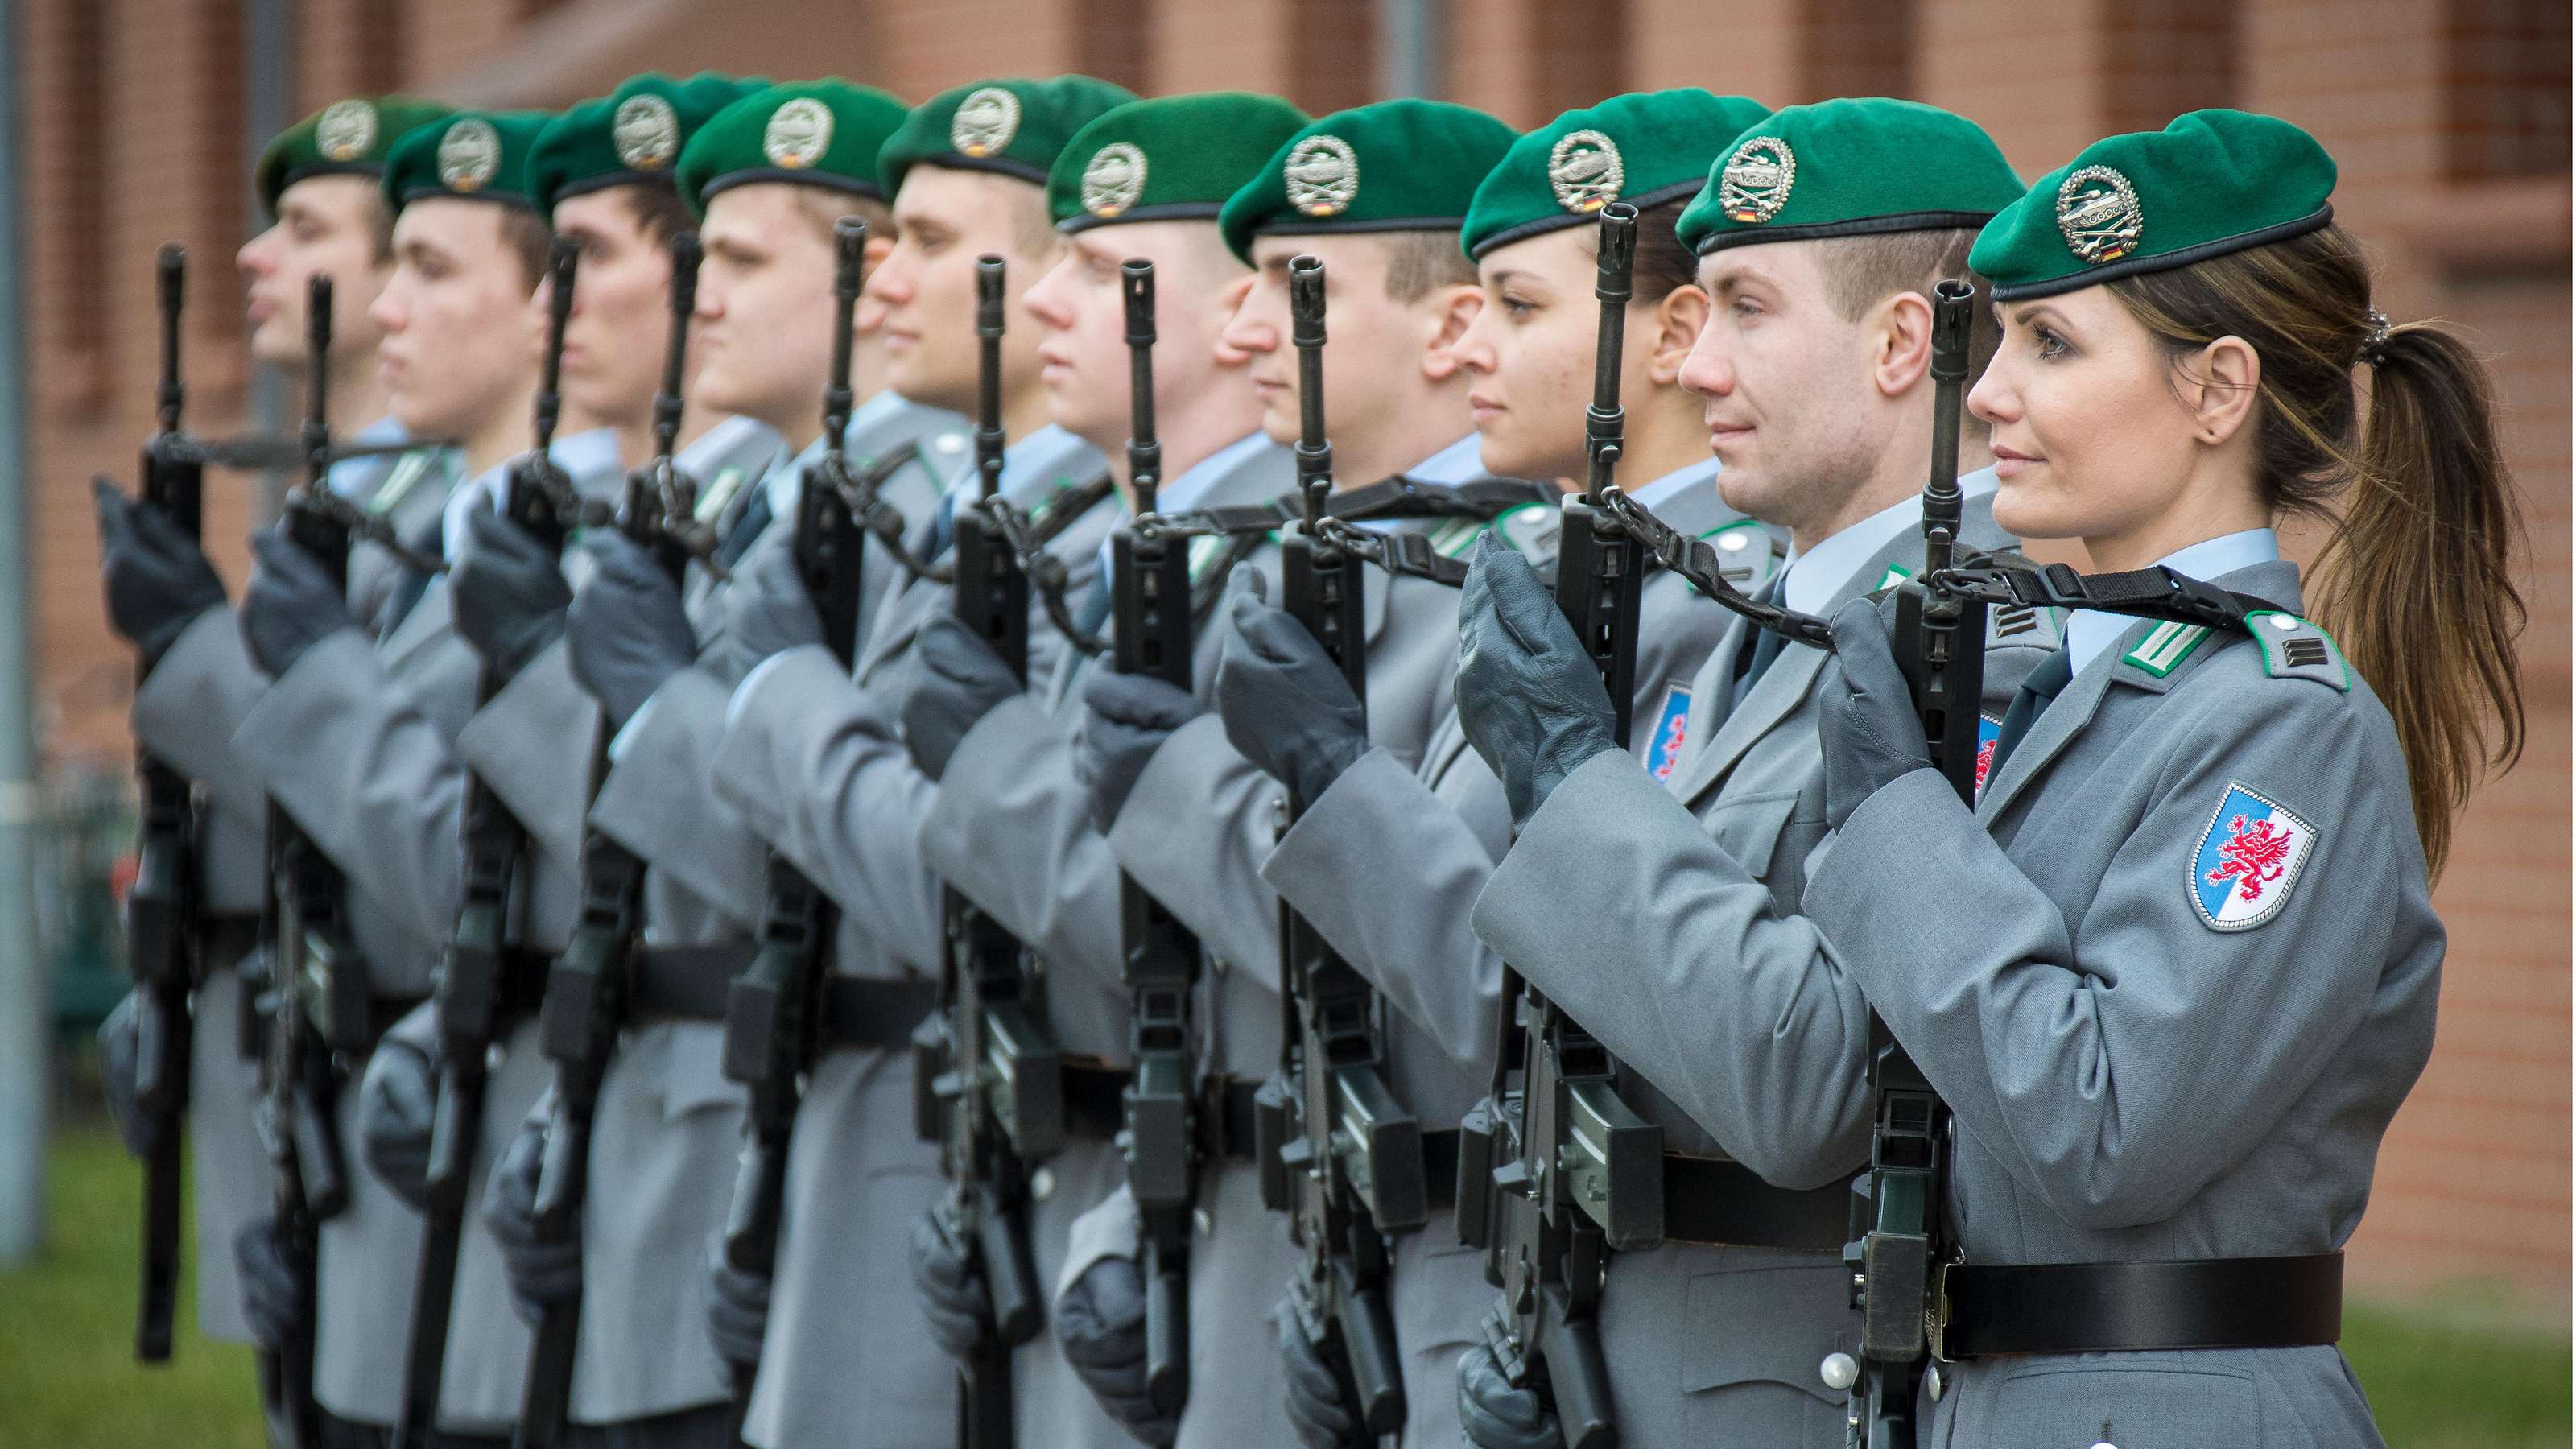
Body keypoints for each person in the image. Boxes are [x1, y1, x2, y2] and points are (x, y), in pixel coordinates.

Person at [1798, 108, 2517, 1448]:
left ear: (2216, 390)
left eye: (2052, 344)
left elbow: (2109, 1126)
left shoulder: (2283, 728)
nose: (1988, 394)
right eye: (2002, 340)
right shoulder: (2096, 681)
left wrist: (1898, 820)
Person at [1447, 97, 2053, 1446]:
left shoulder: (1989, 651)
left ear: (1902, 343)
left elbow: (1813, 1090)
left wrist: (1570, 784)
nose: (1698, 364)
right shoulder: (1758, 621)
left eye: (1748, 310)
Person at [1208, 88, 1780, 1449]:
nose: (1470, 340)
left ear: (1669, 337)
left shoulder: (1731, 608)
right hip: (1469, 1296)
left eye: (1517, 307)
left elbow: (1550, 998)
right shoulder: (1536, 574)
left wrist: (1331, 785)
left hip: (1636, 1329)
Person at [940, 97, 1515, 1449]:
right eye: (1246, 287)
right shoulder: (1272, 558)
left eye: (1293, 292)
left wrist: (1138, 787)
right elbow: (1192, 1000)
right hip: (1241, 1236)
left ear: (1449, 327)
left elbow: (1462, 972)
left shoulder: (1510, 585)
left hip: (1432, 1267)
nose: (1248, 330)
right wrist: (1114, 1225)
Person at [865, 89, 1311, 1449]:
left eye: (1102, 271)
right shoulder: (1086, 538)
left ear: (1245, 312)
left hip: (1236, 1242)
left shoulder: (1286, 579)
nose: (1046, 302)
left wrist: (985, 767)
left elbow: (1218, 935)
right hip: (1092, 1196)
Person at [225, 106, 588, 1447]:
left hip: (496, 1145)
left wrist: (258, 674)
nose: (383, 306)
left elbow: (489, 873)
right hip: (371, 1132)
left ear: (547, 309)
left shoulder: (580, 555)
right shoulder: (423, 537)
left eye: (429, 270)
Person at [90, 89, 449, 1418]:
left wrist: (197, 654)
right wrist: (170, 982)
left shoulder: (446, 518)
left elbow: (360, 789)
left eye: (307, 230)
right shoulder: (323, 499)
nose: (255, 256)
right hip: (285, 1051)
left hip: (387, 1056)